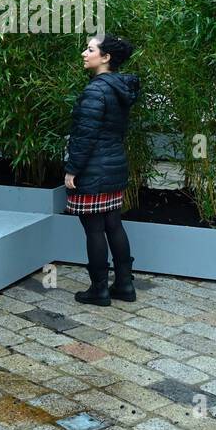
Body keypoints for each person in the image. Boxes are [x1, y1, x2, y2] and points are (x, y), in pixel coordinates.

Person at [63, 33, 139, 306]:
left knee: (94, 229)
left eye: (90, 49)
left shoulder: (96, 90)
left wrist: (72, 170)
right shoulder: (119, 87)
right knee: (113, 224)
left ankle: (99, 290)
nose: (84, 53)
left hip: (94, 169)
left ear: (105, 57)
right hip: (114, 165)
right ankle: (124, 285)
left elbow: (85, 136)